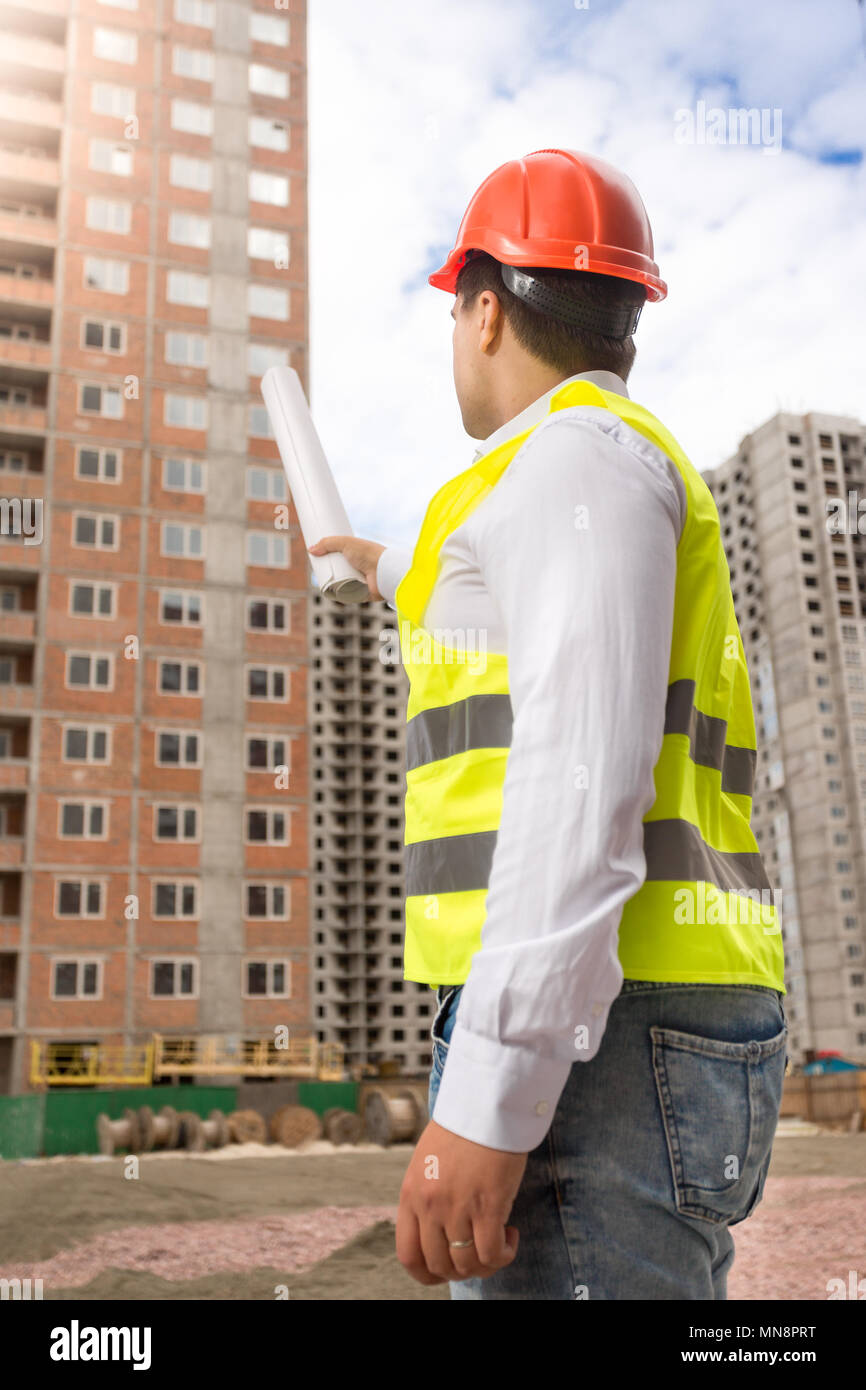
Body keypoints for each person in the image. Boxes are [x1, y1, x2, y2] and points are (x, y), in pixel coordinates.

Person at [310, 148, 787, 1301]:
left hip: (600, 1021)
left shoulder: (574, 466)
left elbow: (577, 778)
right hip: (621, 1004)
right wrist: (376, 565)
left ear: (481, 310)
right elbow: (480, 599)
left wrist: (492, 1091)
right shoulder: (565, 473)